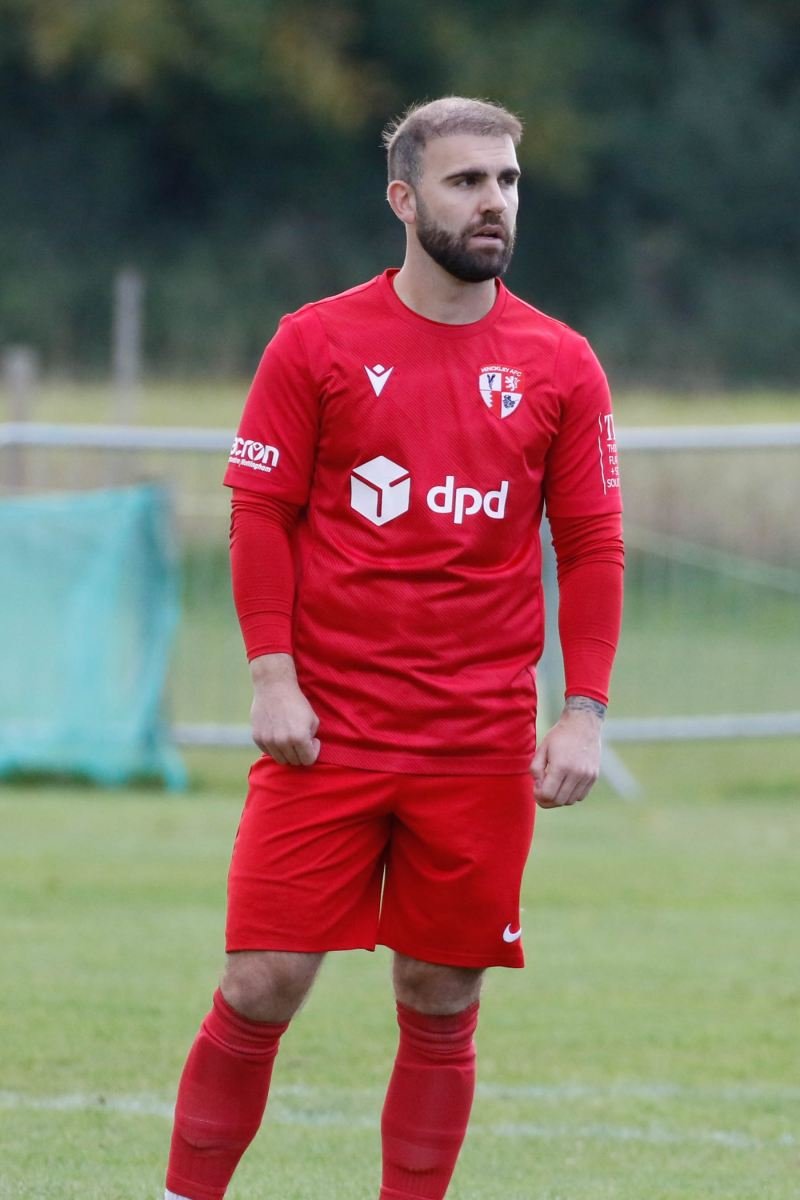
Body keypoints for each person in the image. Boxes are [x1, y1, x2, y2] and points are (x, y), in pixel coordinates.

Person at [164, 95, 624, 1200]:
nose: (493, 203)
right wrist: (270, 677)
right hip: (327, 734)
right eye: (467, 182)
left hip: (473, 746)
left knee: (439, 996)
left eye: (507, 181)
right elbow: (258, 516)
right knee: (262, 980)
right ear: (402, 197)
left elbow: (594, 543)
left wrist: (583, 709)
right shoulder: (314, 342)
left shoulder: (560, 364)